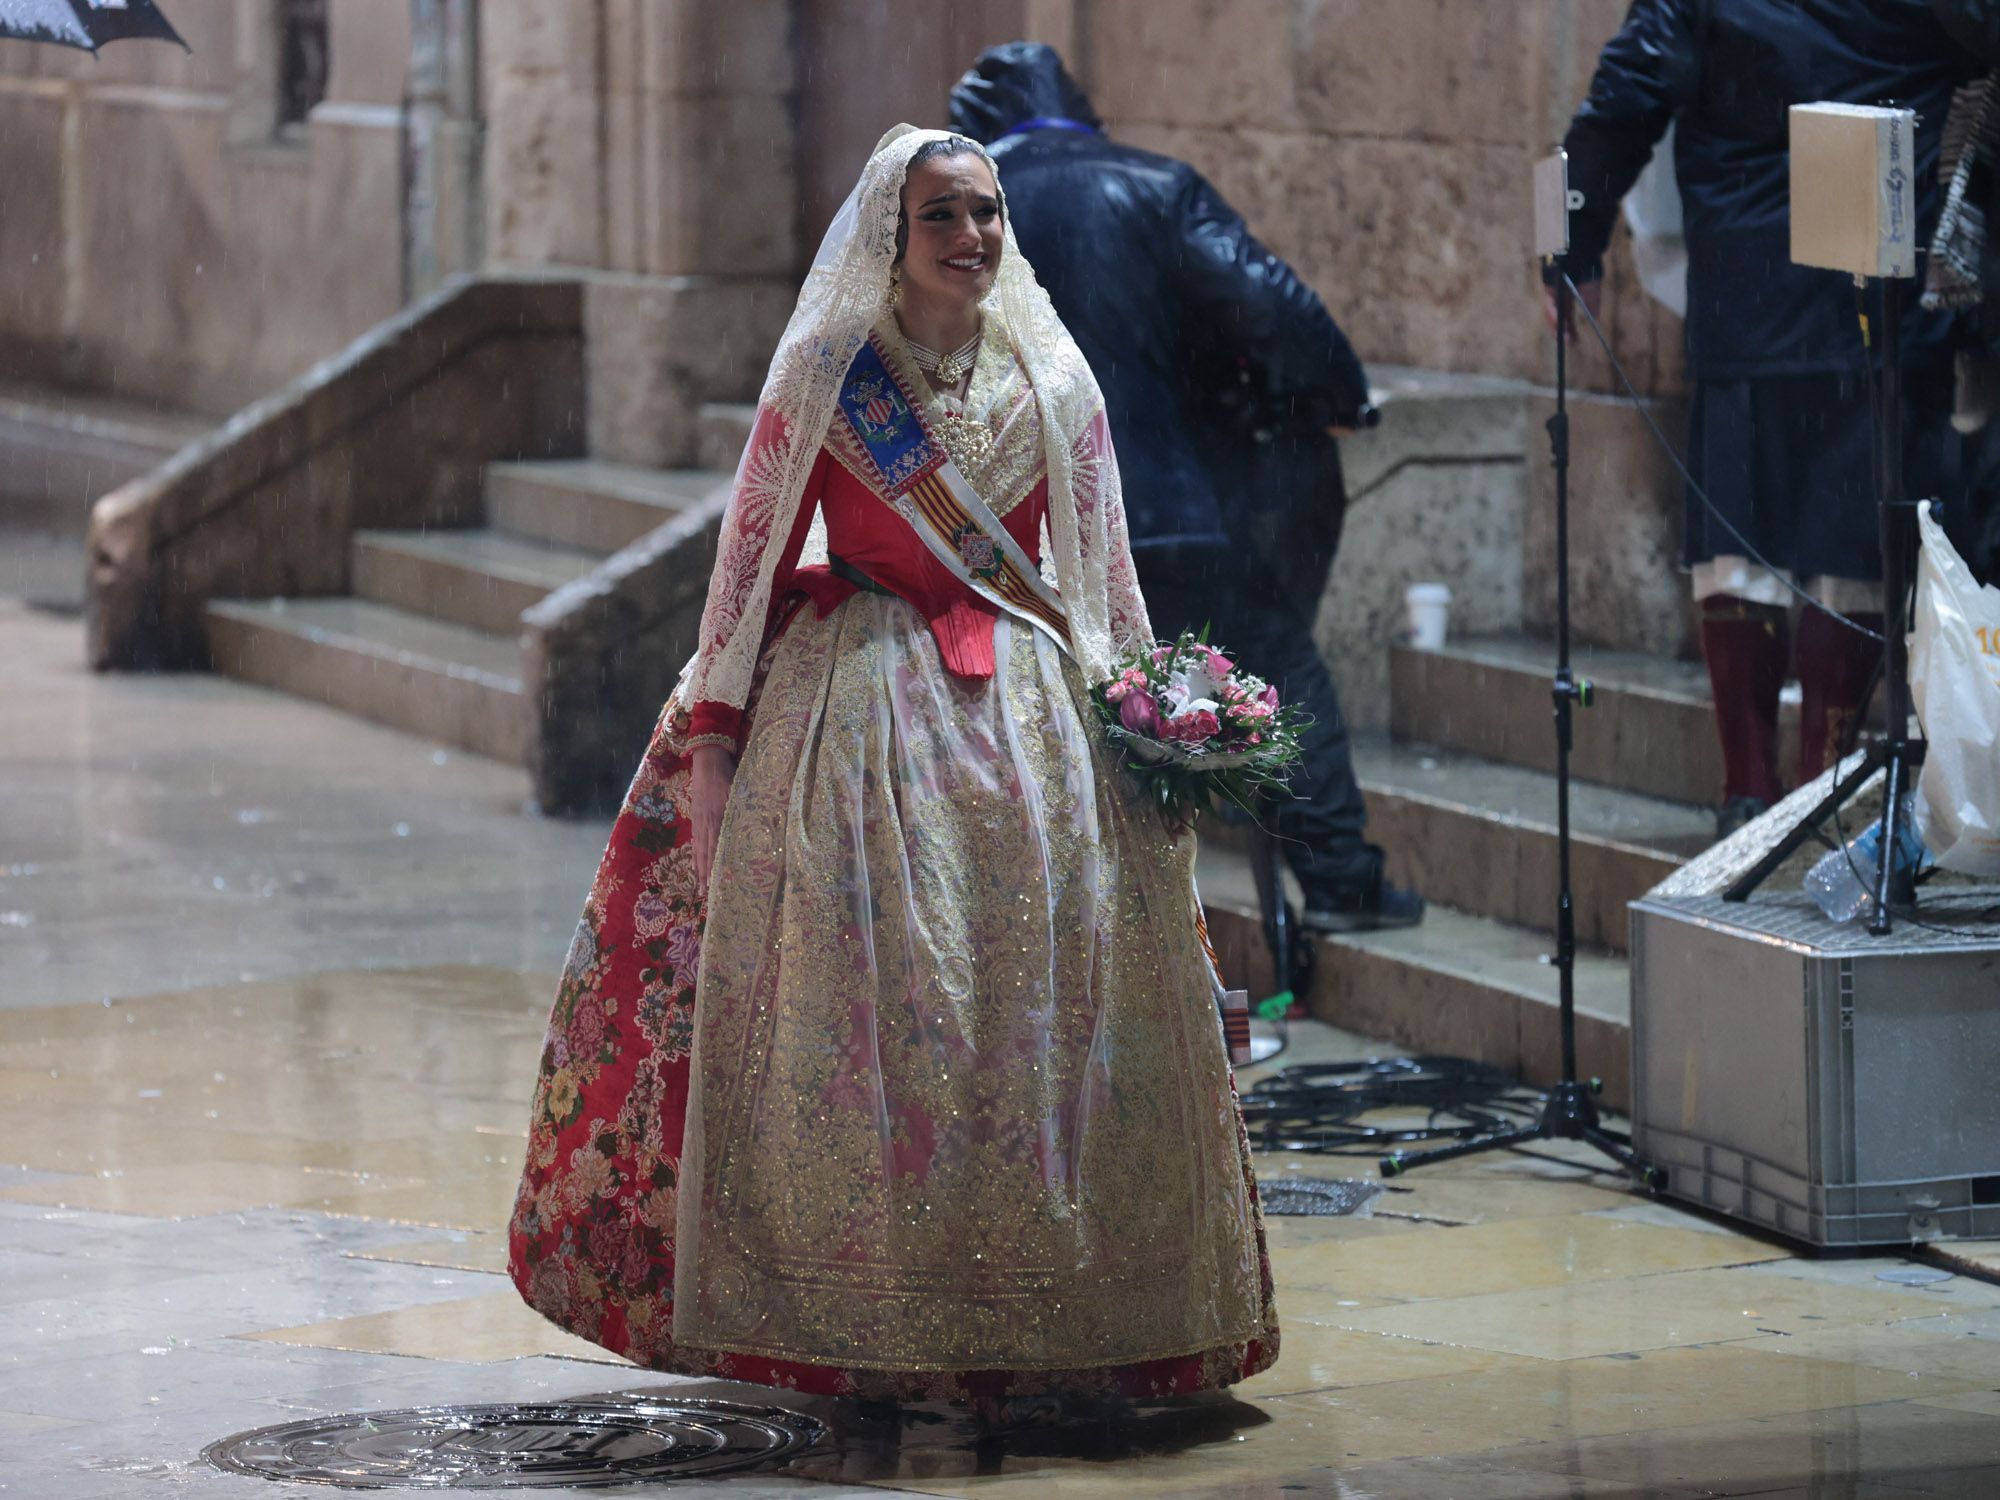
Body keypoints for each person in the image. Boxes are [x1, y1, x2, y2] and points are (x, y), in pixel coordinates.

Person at [507, 125, 1277, 1417]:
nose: (972, 237)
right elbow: (746, 561)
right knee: (880, 1016)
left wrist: (1161, 724)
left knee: (1025, 1022)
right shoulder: (828, 371)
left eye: (986, 212)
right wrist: (715, 736)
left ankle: (1047, 1309)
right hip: (856, 719)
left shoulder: (1054, 379)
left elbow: (1106, 581)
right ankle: (862, 1308)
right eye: (943, 217)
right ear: (892, 234)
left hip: (1035, 736)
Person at [949, 44, 1423, 933]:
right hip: (1167, 505)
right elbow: (1268, 301)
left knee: (1049, 713)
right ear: (1081, 110)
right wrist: (1338, 395)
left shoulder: (959, 218)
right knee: (1266, 668)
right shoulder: (1154, 185)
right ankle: (1341, 885)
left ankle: (1045, 915)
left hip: (1020, 529)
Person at [1547, 0, 1973, 838]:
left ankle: (1746, 788)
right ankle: (1826, 785)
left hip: (1751, 293)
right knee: (1851, 547)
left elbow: (1628, 92)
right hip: (1876, 279)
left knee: (1735, 545)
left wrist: (1576, 236)